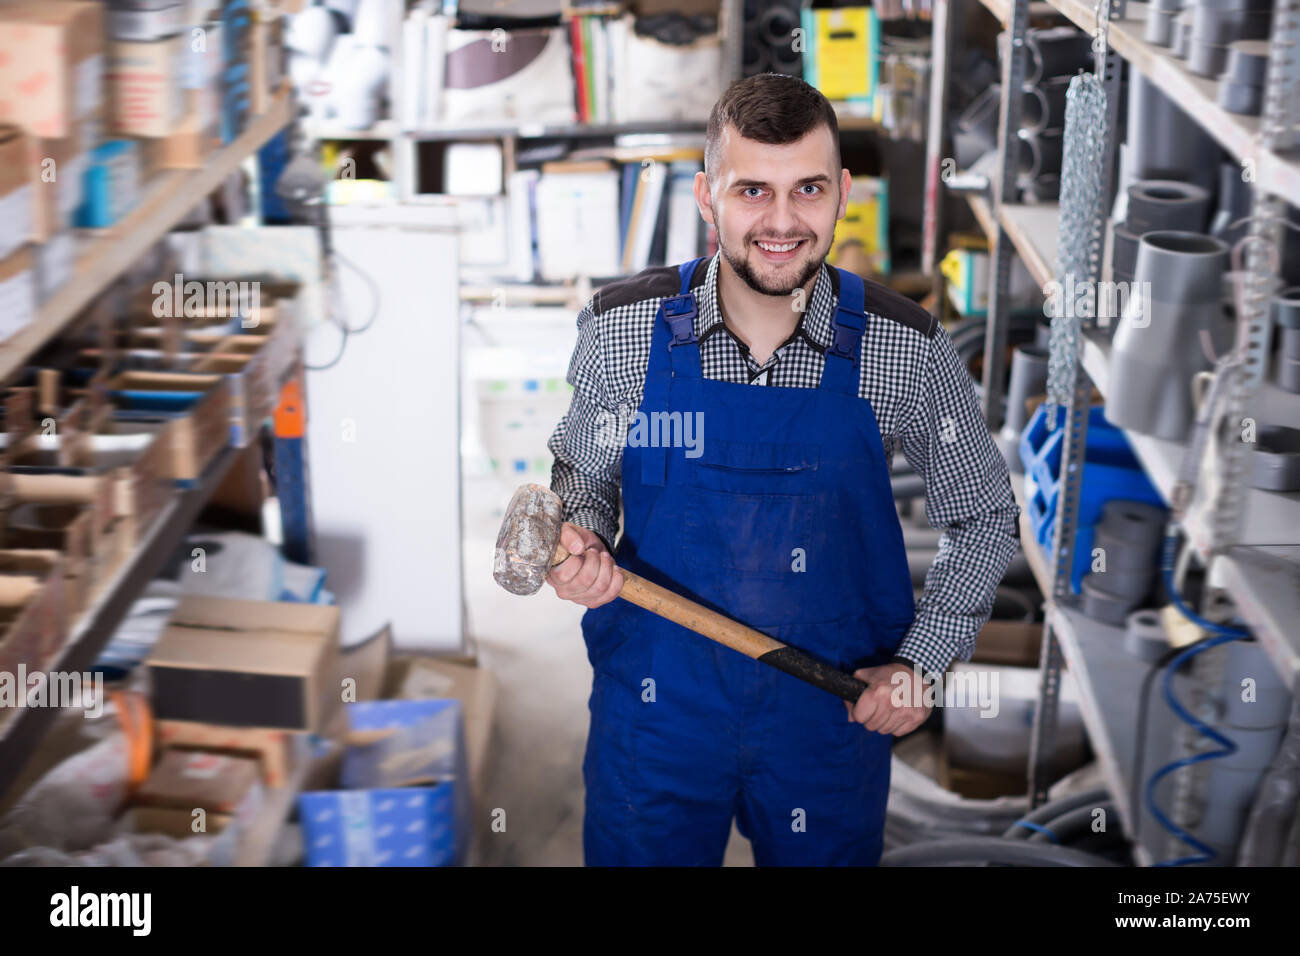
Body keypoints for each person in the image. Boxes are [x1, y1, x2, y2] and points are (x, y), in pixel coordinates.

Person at [545, 73, 1019, 866]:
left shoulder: (904, 350)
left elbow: (984, 515)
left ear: (842, 194)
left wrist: (919, 663)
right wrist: (582, 543)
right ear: (706, 196)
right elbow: (584, 477)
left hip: (830, 715)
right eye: (751, 191)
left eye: (808, 190)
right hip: (658, 710)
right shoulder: (622, 330)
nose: (781, 221)